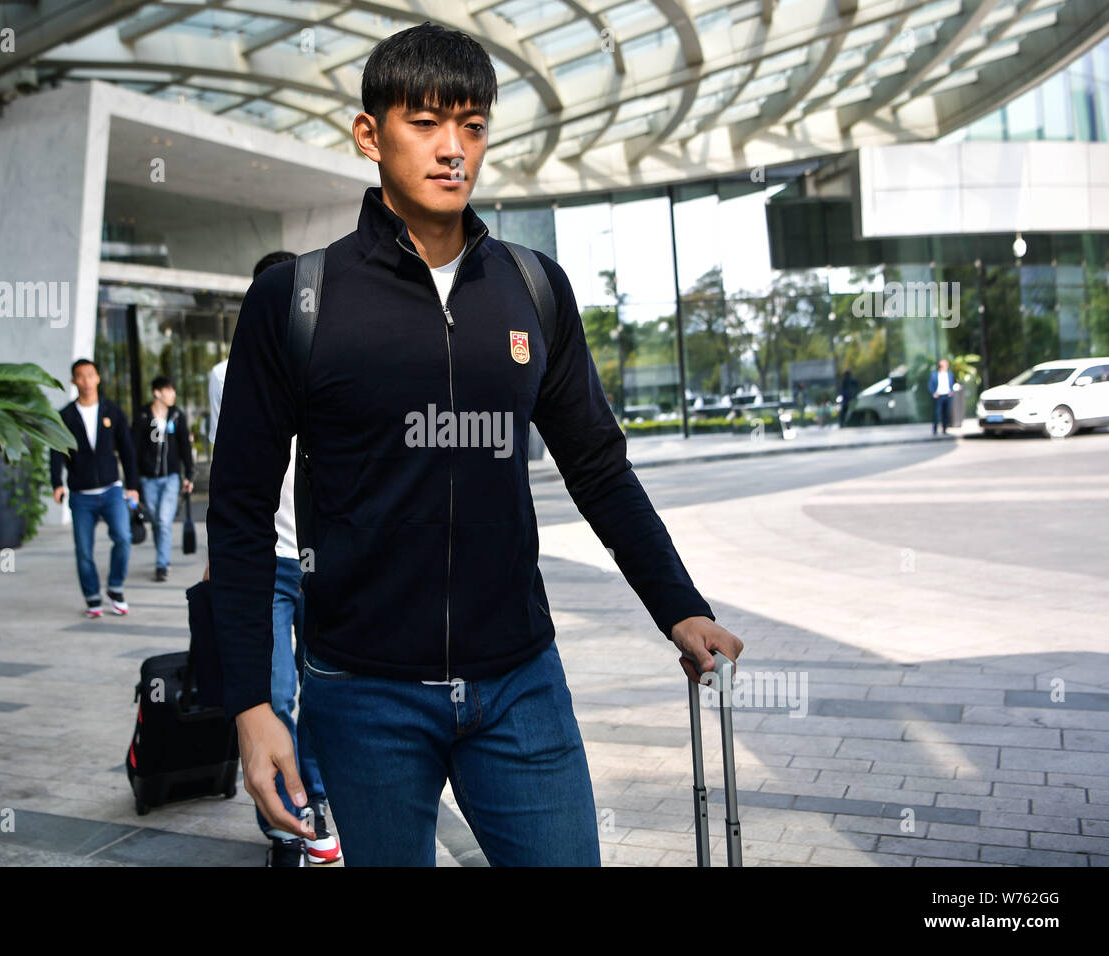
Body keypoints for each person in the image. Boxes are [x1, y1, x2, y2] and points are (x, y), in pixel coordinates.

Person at [208, 21, 744, 866]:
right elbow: (238, 511)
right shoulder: (296, 300)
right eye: (424, 123)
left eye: (472, 125)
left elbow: (598, 467)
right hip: (362, 691)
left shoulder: (534, 287)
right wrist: (251, 704)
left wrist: (678, 605)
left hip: (520, 682)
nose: (452, 148)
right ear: (369, 134)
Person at [208, 259, 341, 866]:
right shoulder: (226, 374)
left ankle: (311, 802)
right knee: (275, 691)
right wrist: (227, 560)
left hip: (319, 559)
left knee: (320, 688)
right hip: (268, 560)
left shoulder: (328, 357)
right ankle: (286, 824)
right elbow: (232, 471)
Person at [50, 359, 140, 618]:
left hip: (112, 490)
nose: (86, 381)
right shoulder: (65, 416)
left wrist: (132, 487)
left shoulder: (112, 410)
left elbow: (127, 451)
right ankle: (92, 597)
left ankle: (115, 587)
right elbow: (56, 452)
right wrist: (57, 483)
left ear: (98, 377)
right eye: (81, 376)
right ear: (73, 381)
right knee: (83, 551)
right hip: (81, 496)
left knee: (123, 538)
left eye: (90, 375)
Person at [134, 376, 195, 582]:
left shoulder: (177, 415)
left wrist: (189, 474)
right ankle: (162, 557)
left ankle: (162, 564)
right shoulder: (143, 415)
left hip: (171, 478)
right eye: (169, 390)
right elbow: (134, 449)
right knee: (157, 522)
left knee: (163, 520)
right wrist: (133, 482)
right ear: (157, 392)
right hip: (148, 479)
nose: (173, 394)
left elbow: (185, 446)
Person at [928, 358, 956, 436]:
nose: (946, 366)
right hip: (939, 396)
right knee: (937, 413)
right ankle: (935, 430)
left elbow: (952, 383)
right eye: (945, 364)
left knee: (946, 413)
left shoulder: (949, 374)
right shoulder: (934, 374)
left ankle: (944, 429)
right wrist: (933, 393)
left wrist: (951, 391)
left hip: (947, 395)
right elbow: (930, 385)